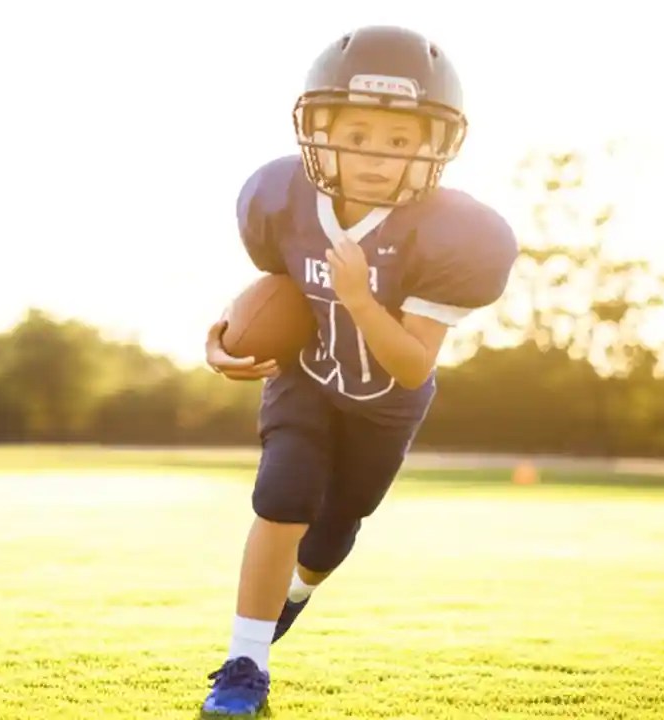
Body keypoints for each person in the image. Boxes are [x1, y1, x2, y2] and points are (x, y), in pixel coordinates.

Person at [198, 25, 520, 718]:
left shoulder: (451, 233)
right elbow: (273, 296)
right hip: (307, 379)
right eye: (359, 134)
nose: (376, 156)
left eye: (400, 141)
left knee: (333, 534)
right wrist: (222, 338)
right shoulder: (281, 198)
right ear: (318, 128)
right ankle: (244, 662)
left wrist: (358, 298)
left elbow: (410, 365)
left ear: (435, 145)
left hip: (385, 405)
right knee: (282, 495)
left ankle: (295, 594)